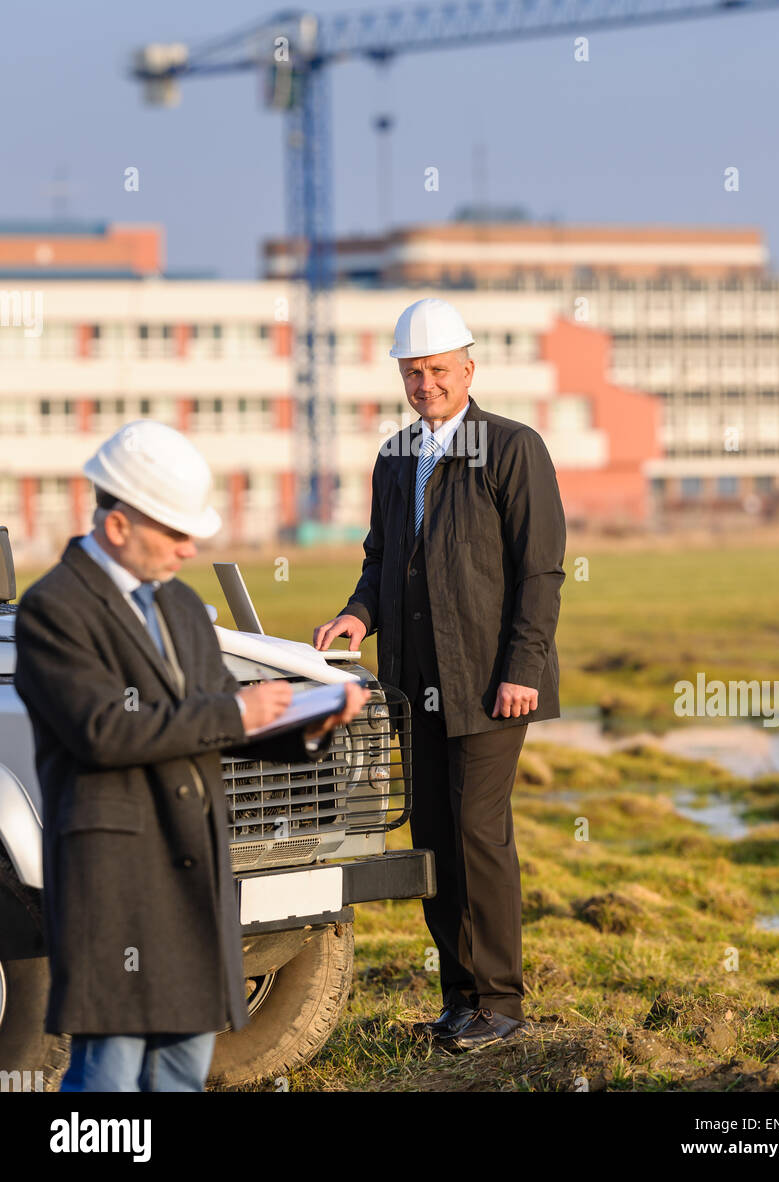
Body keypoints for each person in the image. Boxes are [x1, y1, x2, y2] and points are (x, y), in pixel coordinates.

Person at [14, 419, 367, 1092]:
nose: (189, 546)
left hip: (193, 876)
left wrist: (307, 722)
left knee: (180, 1066)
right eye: (175, 532)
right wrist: (235, 710)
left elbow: (212, 728)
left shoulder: (180, 604)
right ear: (119, 526)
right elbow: (102, 731)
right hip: (113, 883)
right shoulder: (53, 610)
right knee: (110, 1073)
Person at [313, 298, 566, 1051]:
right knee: (434, 837)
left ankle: (502, 1003)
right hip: (412, 684)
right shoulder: (395, 458)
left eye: (437, 371)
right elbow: (382, 560)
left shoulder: (514, 448)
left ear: (468, 369)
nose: (425, 384)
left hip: (491, 684)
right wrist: (358, 616)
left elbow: (541, 572)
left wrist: (522, 666)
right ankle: (460, 999)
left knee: (477, 833)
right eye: (412, 372)